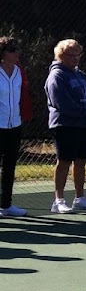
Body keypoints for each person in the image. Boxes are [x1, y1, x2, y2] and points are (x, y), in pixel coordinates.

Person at [45, 39, 86, 214]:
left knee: (81, 161)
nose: (76, 58)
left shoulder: (80, 75)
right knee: (64, 161)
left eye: (78, 55)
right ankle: (59, 201)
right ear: (61, 56)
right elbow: (62, 102)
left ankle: (80, 198)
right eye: (71, 55)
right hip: (65, 124)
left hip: (84, 126)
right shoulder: (57, 75)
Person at [0, 36, 32, 217]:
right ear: (2, 53)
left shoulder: (19, 71)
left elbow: (22, 96)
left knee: (9, 166)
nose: (16, 53)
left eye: (16, 49)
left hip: (14, 125)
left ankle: (6, 205)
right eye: (11, 50)